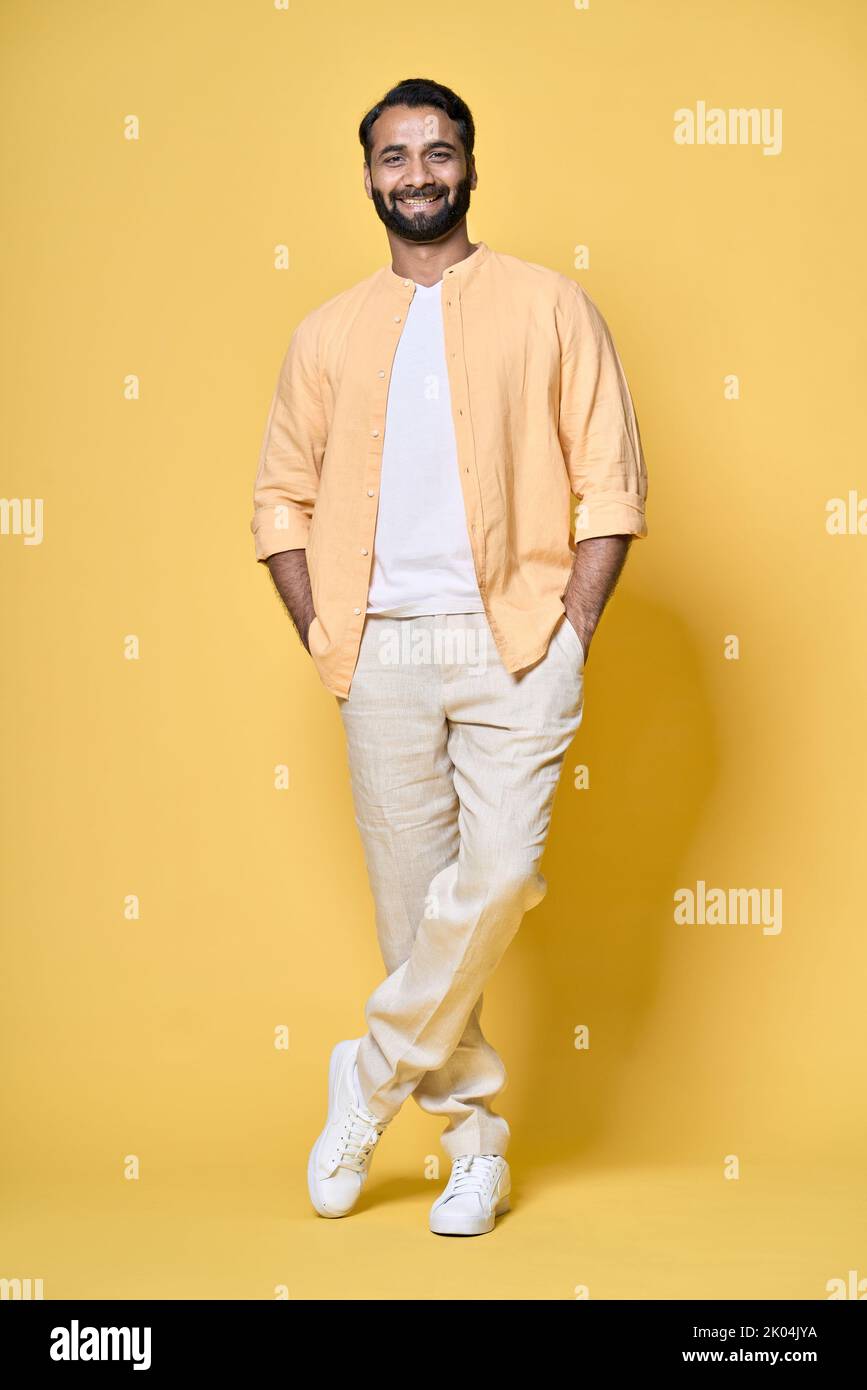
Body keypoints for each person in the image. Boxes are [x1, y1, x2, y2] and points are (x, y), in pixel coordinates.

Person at [250, 76, 648, 1236]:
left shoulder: (549, 305)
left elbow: (611, 480)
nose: (416, 172)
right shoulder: (324, 334)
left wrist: (573, 631)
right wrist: (329, 629)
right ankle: (475, 1148)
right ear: (366, 175)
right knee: (411, 909)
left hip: (517, 641)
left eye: (438, 152)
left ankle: (363, 1078)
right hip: (379, 653)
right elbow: (279, 499)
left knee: (504, 873)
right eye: (394, 156)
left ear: (471, 166)